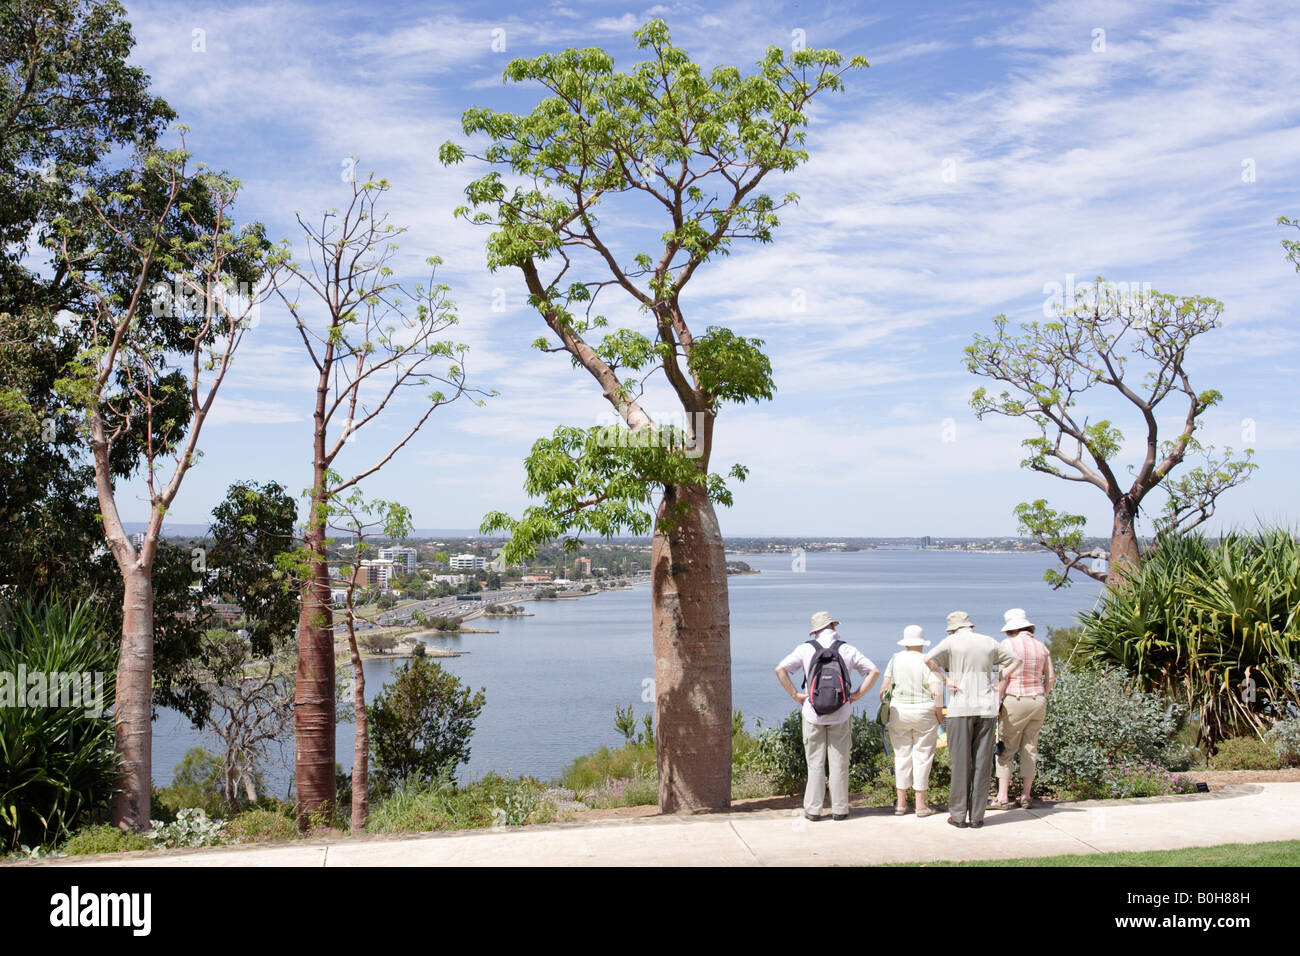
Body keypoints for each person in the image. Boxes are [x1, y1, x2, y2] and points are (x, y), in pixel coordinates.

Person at [775, 610, 879, 821]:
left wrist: (796, 695)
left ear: (815, 630)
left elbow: (780, 669)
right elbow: (874, 671)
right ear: (833, 626)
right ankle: (840, 809)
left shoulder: (805, 649)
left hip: (813, 713)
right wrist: (857, 695)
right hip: (841, 712)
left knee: (815, 763)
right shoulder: (847, 649)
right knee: (839, 763)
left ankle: (813, 810)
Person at [925, 611, 1021, 829]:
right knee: (982, 762)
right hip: (986, 707)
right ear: (969, 625)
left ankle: (958, 815)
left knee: (961, 762)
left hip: (961, 707)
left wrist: (945, 679)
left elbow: (928, 659)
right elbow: (1016, 660)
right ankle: (977, 816)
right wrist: (998, 678)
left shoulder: (951, 642)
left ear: (953, 628)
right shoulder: (988, 641)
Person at [992, 608, 1055, 810]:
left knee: (1006, 748)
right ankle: (1026, 795)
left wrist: (997, 703)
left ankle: (1002, 796)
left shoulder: (1007, 645)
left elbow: (1004, 677)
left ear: (1011, 629)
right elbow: (1051, 678)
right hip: (1037, 700)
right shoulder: (1041, 646)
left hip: (1015, 700)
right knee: (1030, 748)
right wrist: (1042, 694)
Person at [880, 625, 944, 817]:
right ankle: (920, 805)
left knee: (901, 756)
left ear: (905, 642)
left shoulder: (895, 659)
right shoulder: (928, 661)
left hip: (899, 711)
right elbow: (937, 691)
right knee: (922, 757)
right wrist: (940, 716)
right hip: (924, 712)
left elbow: (883, 690)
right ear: (923, 643)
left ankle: (900, 804)